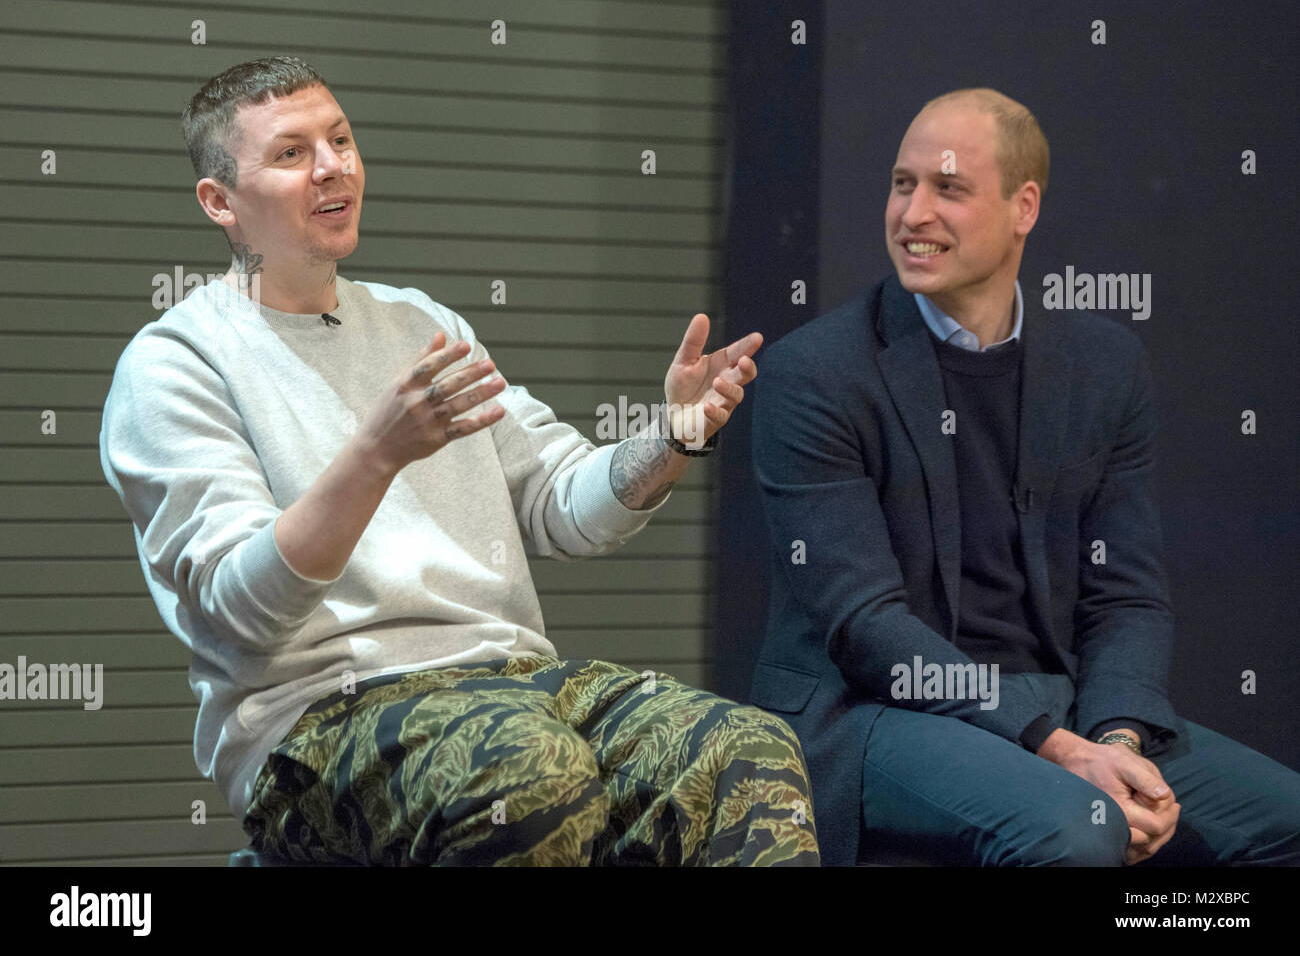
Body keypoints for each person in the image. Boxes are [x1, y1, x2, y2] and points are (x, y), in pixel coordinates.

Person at [98, 56, 819, 866]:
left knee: (743, 752)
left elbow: (562, 504)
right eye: (293, 153)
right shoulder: (175, 362)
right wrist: (376, 456)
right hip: (319, 716)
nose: (334, 166)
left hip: (514, 681)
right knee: (530, 773)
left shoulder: (423, 324)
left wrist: (674, 433)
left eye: (340, 139)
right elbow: (240, 611)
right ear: (220, 202)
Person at [747, 87, 1300, 867]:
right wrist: (1056, 746)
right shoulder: (815, 372)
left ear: (1024, 207)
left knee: (1286, 821)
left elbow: (1127, 595)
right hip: (871, 710)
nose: (912, 214)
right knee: (1081, 829)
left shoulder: (1103, 367)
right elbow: (866, 625)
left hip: (1062, 701)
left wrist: (1115, 738)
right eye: (903, 184)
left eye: (948, 188)